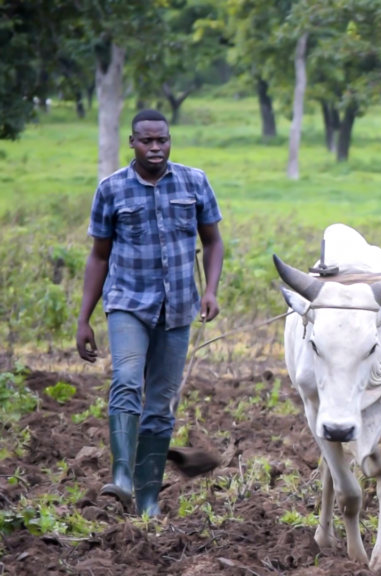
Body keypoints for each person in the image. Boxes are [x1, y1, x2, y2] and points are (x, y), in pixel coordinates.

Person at [76, 109, 225, 516]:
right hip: (127, 303)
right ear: (132, 143)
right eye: (147, 141)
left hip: (177, 310)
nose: (155, 148)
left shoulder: (194, 182)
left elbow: (213, 242)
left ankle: (147, 501)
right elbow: (98, 256)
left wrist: (210, 291)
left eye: (162, 140)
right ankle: (121, 477)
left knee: (160, 405)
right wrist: (84, 317)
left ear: (169, 140)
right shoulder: (112, 189)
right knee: (126, 380)